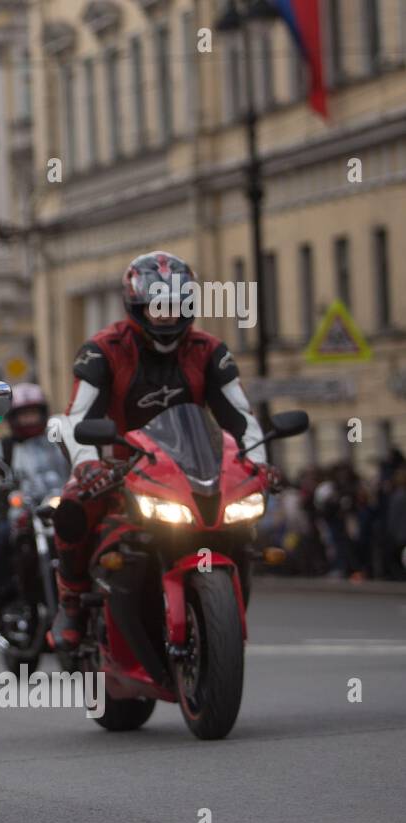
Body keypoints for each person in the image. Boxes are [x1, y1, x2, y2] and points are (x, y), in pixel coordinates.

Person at [50, 251, 273, 648]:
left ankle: (224, 608)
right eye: (158, 306)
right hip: (120, 471)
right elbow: (76, 418)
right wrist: (87, 466)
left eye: (177, 305)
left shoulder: (210, 351)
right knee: (69, 507)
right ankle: (72, 599)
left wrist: (257, 463)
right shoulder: (103, 350)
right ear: (137, 305)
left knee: (243, 521)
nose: (168, 314)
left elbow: (240, 417)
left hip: (192, 470)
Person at [0, 384, 68, 631]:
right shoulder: (2, 447)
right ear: (13, 418)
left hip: (60, 509)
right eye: (23, 414)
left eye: (33, 413)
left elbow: (78, 461)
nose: (29, 419)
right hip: (23, 515)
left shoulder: (58, 441)